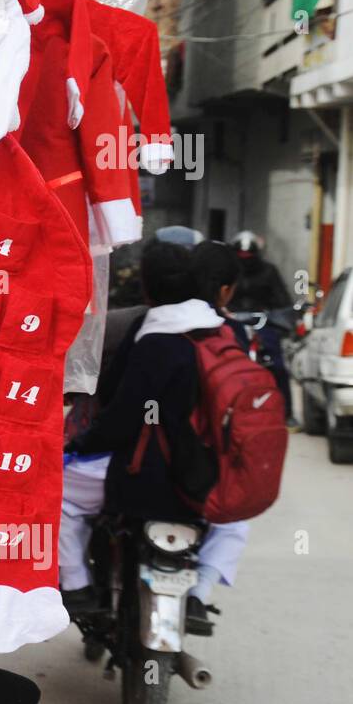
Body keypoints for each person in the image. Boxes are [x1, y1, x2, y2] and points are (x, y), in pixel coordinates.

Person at [61, 241, 224, 618]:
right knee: (235, 526)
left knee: (59, 495)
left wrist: (80, 446)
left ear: (146, 288)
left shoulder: (148, 337)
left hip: (144, 480)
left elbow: (119, 419)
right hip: (209, 481)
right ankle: (199, 594)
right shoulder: (223, 334)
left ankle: (77, 586)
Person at [230, 230, 296, 426]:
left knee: (278, 366)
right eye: (240, 256)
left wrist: (278, 315)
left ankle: (287, 412)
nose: (244, 260)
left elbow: (282, 300)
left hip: (263, 324)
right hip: (232, 324)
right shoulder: (228, 272)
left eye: (248, 256)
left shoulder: (269, 271)